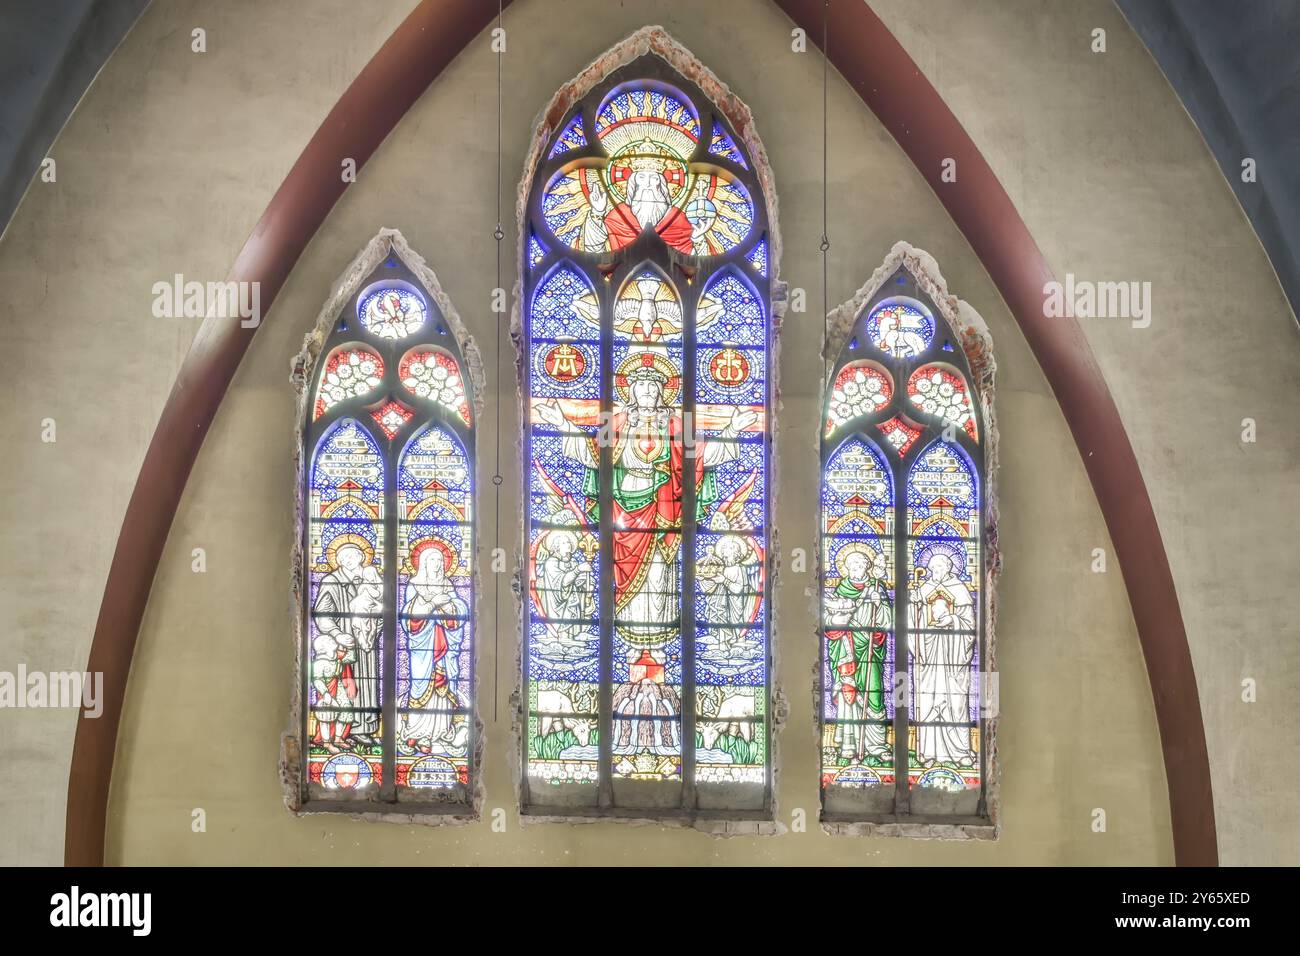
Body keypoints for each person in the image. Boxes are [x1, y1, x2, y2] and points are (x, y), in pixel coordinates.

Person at [824, 548, 893, 764]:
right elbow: (829, 622)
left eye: (861, 565)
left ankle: (876, 745)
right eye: (852, 566)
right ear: (846, 569)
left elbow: (887, 621)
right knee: (848, 696)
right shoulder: (841, 590)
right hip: (847, 651)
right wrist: (839, 620)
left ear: (867, 567)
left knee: (875, 697)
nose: (856, 570)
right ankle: (849, 745)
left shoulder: (877, 588)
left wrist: (878, 603)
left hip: (871, 650)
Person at [908, 551, 977, 768]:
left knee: (955, 703)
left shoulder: (960, 590)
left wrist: (953, 620)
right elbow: (911, 622)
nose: (933, 572)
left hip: (952, 659)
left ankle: (960, 752)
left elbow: (970, 626)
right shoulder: (924, 588)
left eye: (937, 568)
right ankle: (928, 752)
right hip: (928, 659)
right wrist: (914, 604)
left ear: (948, 568)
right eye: (931, 568)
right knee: (927, 701)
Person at [400, 541, 467, 754]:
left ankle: (440, 732)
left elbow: (459, 613)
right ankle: (415, 732)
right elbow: (409, 619)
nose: (437, 564)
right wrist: (432, 605)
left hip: (445, 649)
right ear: (422, 563)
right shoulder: (414, 585)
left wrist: (446, 606)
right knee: (420, 685)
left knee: (443, 691)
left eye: (439, 560)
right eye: (432, 560)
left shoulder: (447, 584)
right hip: (422, 648)